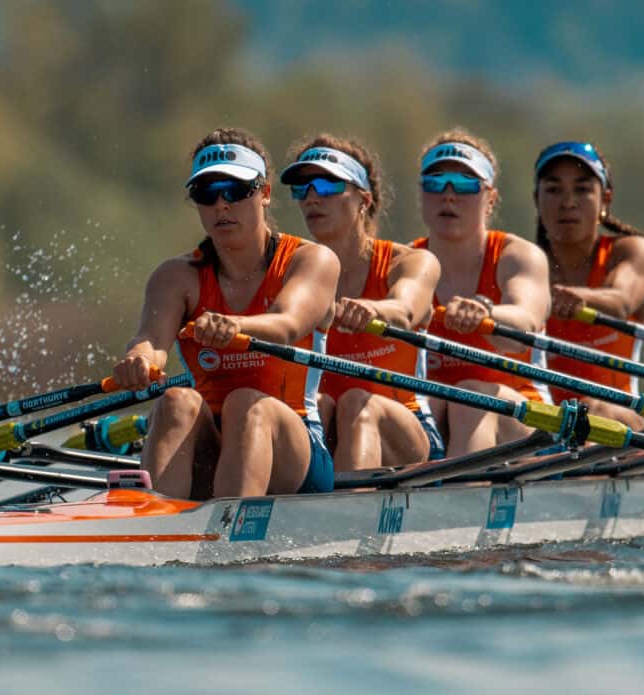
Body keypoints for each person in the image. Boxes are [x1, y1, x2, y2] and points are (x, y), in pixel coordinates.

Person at [112, 128, 340, 499]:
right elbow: (150, 342)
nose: (221, 205)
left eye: (235, 191)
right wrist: (137, 360)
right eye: (207, 194)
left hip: (294, 450)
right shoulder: (176, 276)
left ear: (264, 193)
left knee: (246, 404)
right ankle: (152, 529)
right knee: (174, 400)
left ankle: (226, 535)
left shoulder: (311, 260)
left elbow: (287, 324)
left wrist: (235, 326)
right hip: (213, 447)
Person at [281, 134, 443, 471]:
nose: (312, 198)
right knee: (316, 405)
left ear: (363, 199)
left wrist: (373, 310)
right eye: (303, 188)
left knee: (356, 403)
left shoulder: (411, 262)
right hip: (324, 419)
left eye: (327, 186)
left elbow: (405, 309)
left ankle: (345, 514)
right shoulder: (288, 269)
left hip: (406, 429)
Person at [411, 128, 551, 457]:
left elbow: (524, 322)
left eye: (465, 185)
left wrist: (488, 315)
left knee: (470, 396)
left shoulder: (517, 256)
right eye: (435, 183)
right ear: (421, 194)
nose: (448, 195)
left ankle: (464, 499)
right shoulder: (404, 264)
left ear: (491, 199)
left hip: (523, 417)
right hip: (437, 410)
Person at [532, 141, 644, 429]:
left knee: (591, 407)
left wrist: (578, 297)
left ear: (605, 199)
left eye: (582, 189)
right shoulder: (520, 264)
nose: (568, 202)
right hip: (546, 428)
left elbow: (621, 302)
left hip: (620, 421)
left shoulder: (631, 252)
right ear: (536, 200)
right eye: (554, 190)